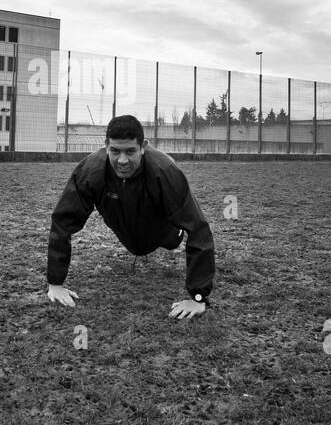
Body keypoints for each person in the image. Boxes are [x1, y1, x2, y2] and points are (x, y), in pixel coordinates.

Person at [46, 115, 216, 319]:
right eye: (115, 151)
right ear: (106, 145)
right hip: (123, 227)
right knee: (134, 245)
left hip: (163, 230)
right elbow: (62, 221)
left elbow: (199, 229)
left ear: (143, 146)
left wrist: (198, 298)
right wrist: (55, 283)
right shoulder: (90, 171)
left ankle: (174, 233)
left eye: (130, 151)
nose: (122, 160)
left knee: (173, 241)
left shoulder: (165, 172)